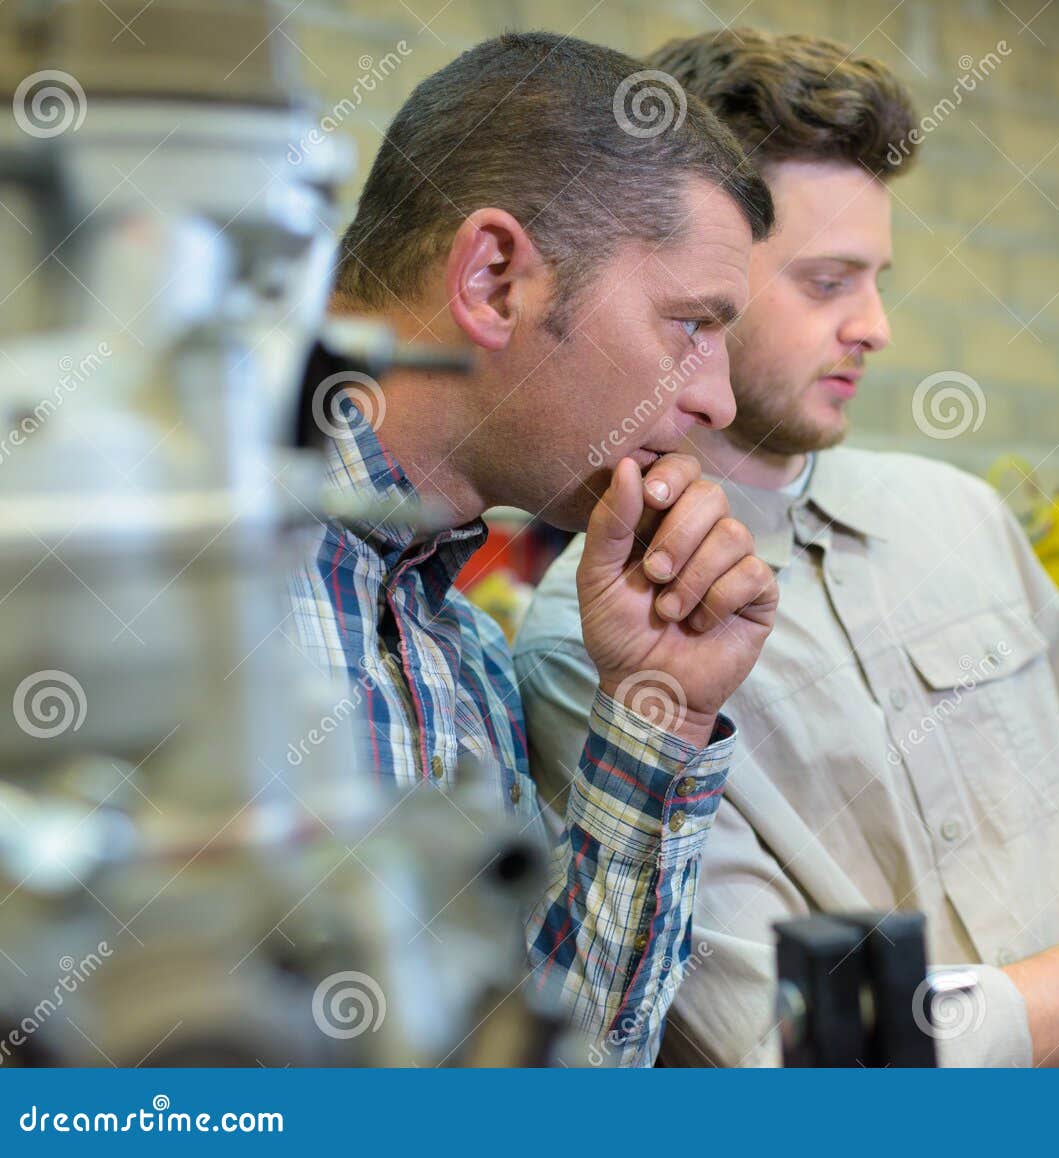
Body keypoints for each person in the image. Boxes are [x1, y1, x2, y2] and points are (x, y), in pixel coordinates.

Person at [515, 28, 1059, 1067]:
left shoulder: (960, 517)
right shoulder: (601, 649)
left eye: (876, 279)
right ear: (697, 283)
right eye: (828, 282)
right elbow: (787, 1060)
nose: (876, 326)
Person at [290, 32, 781, 1066]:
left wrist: (659, 712)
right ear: (495, 280)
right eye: (691, 325)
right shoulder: (130, 571)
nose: (717, 399)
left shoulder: (460, 654)